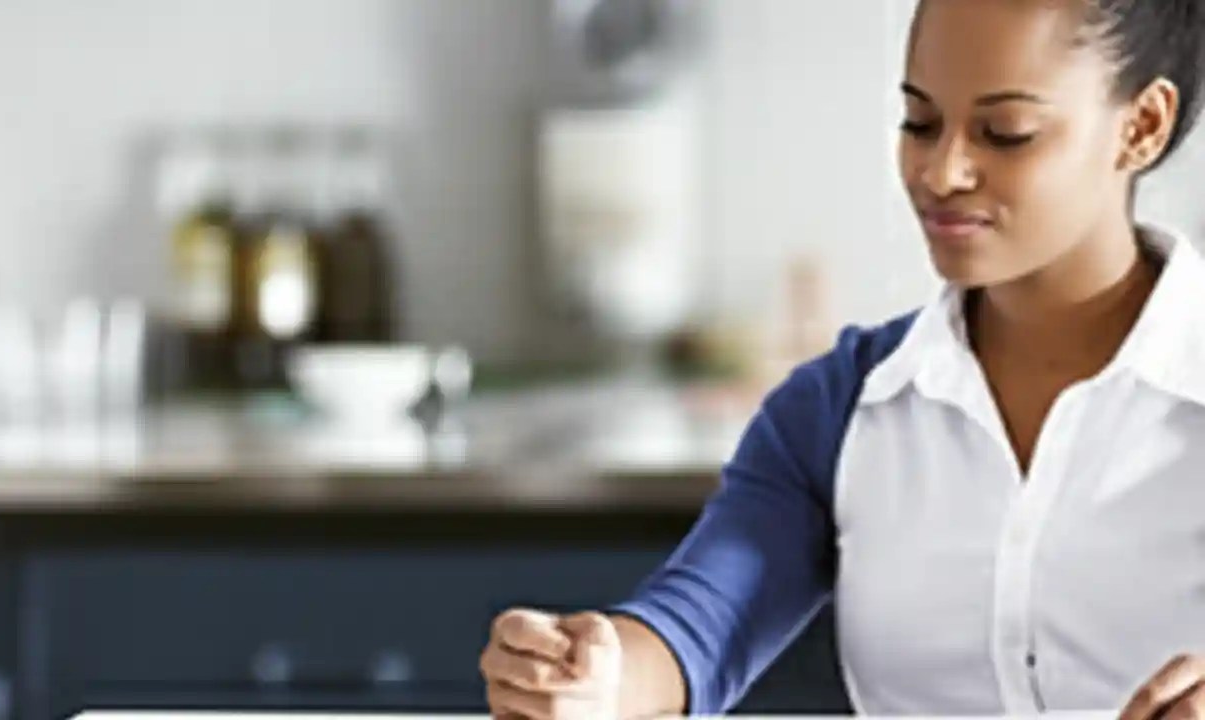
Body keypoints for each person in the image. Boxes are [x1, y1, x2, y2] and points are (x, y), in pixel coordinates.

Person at [481, 0, 1205, 717]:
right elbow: (699, 626)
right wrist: (595, 679)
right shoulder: (840, 406)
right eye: (920, 123)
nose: (941, 171)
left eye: (1005, 133)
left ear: (1141, 127)